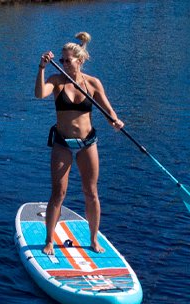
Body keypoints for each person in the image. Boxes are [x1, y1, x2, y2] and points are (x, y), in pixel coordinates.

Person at [35, 31, 124, 254]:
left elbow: (109, 111)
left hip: (88, 143)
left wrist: (115, 121)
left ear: (80, 60)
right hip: (62, 143)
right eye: (61, 60)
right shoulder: (56, 81)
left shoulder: (93, 83)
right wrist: (42, 68)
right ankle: (49, 240)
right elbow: (39, 94)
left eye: (68, 60)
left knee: (91, 192)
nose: (64, 63)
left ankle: (93, 240)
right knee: (58, 193)